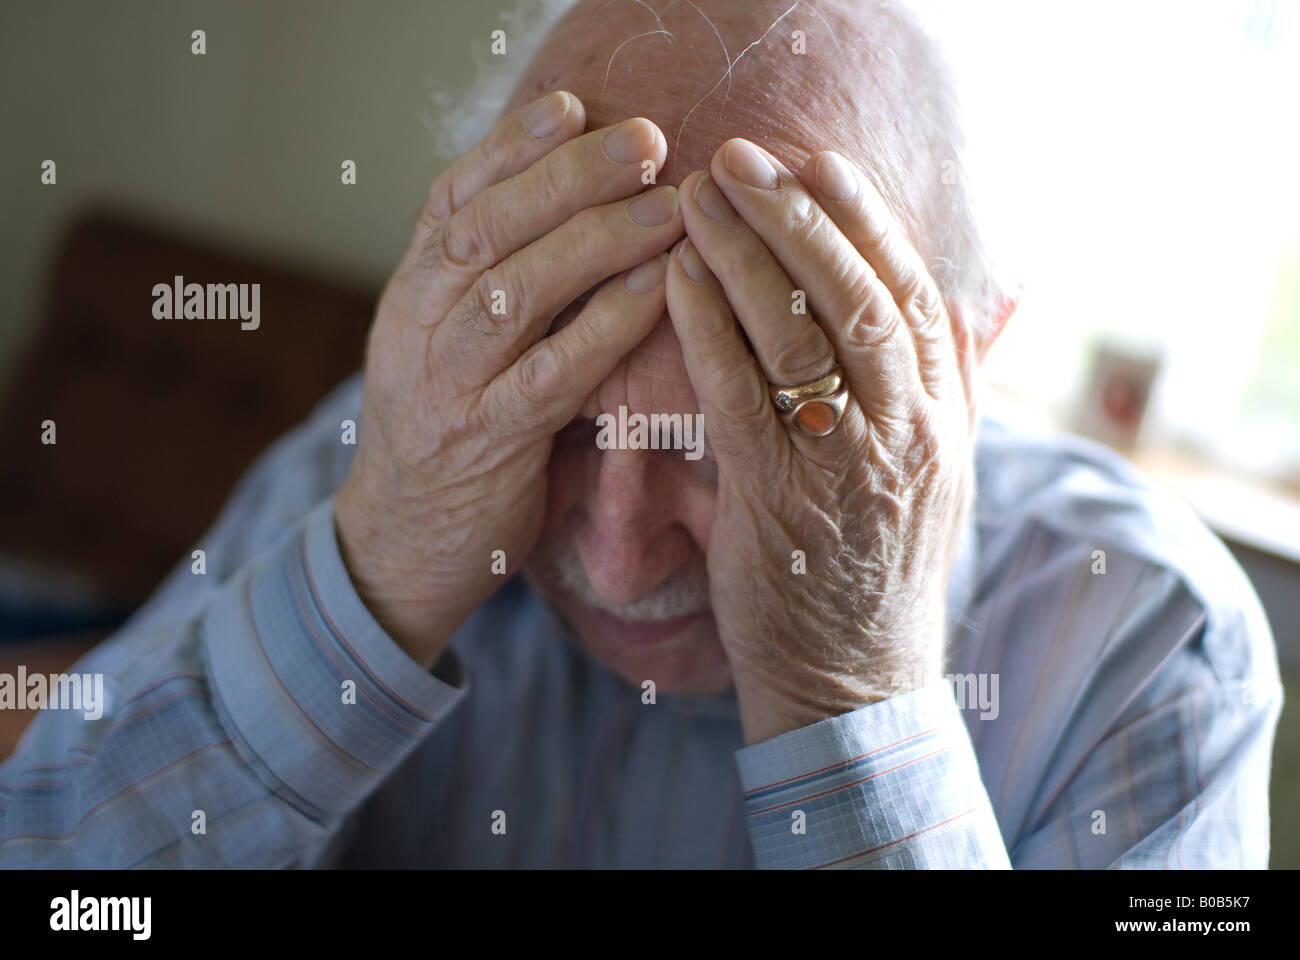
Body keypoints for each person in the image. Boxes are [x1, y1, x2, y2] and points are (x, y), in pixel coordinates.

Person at [0, 0, 1280, 868]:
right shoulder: (400, 449)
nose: (616, 559)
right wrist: (382, 566)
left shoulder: (1158, 642)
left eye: (734, 441)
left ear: (956, 356)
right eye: (558, 421)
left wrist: (849, 688)